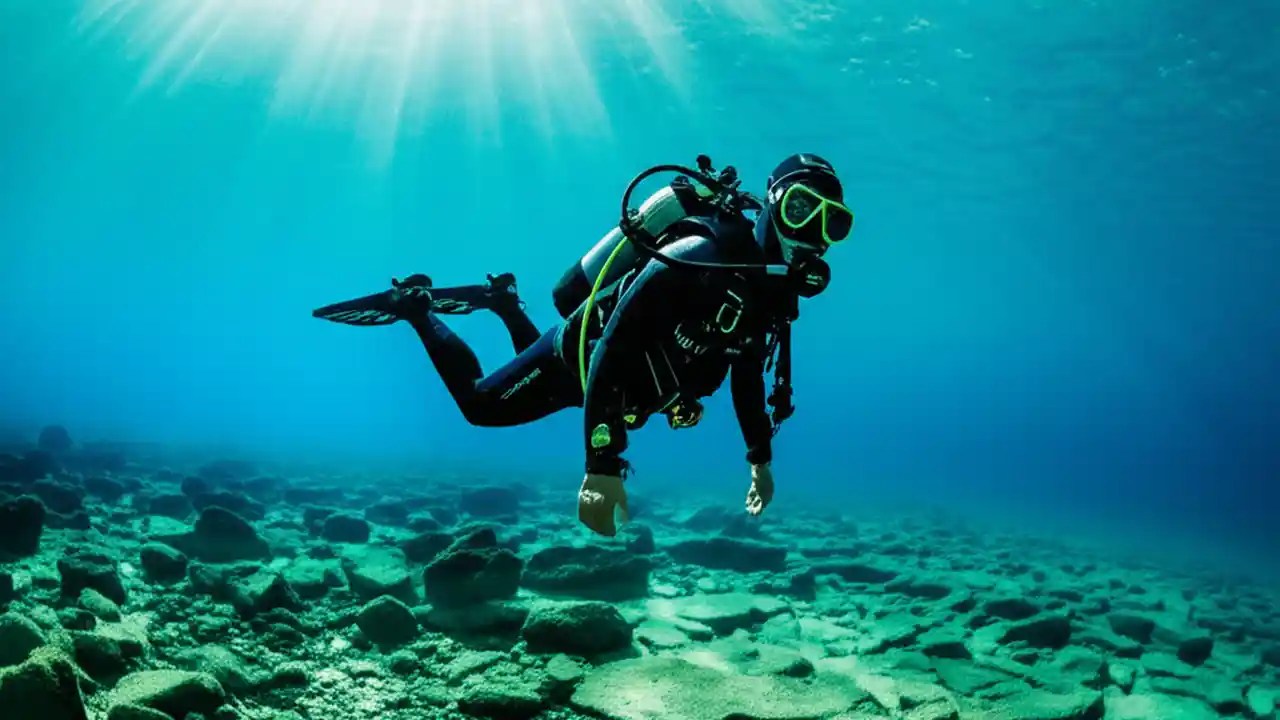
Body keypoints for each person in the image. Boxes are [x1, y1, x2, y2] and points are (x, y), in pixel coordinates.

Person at [313, 153, 854, 537]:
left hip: (616, 388)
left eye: (834, 223)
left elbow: (745, 377)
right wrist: (602, 465)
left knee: (549, 377)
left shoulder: (770, 299)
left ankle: (503, 302)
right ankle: (416, 308)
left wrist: (760, 460)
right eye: (802, 209)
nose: (813, 232)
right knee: (480, 406)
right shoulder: (698, 253)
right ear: (773, 204)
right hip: (587, 356)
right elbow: (613, 347)